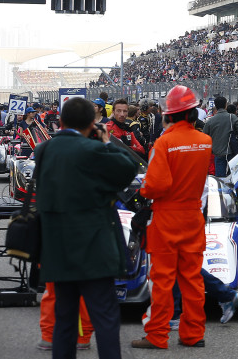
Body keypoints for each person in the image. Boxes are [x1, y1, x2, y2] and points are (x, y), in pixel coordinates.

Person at [36, 96, 139, 359]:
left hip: (57, 247)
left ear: (60, 121)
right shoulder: (94, 150)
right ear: (93, 124)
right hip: (94, 248)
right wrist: (106, 141)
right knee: (105, 316)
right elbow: (129, 168)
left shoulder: (44, 150)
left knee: (65, 318)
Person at [132, 85, 212, 350]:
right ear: (192, 113)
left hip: (166, 217)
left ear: (169, 114)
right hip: (193, 216)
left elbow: (156, 185)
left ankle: (156, 335)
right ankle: (193, 334)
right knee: (192, 278)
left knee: (163, 279)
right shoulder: (204, 141)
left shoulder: (164, 142)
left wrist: (142, 189)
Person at [202, 95, 238, 177]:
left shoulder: (210, 120)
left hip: (217, 152)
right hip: (231, 150)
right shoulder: (232, 117)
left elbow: (204, 136)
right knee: (234, 176)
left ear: (215, 105)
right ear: (226, 105)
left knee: (220, 177)